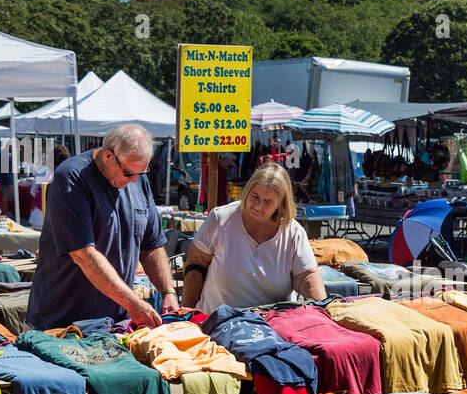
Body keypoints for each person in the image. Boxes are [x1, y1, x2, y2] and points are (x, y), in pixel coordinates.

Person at [25, 123, 176, 330]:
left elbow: (151, 245)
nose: (134, 181)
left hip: (114, 321)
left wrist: (168, 291)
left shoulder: (138, 179)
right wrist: (132, 302)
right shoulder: (71, 178)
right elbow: (83, 255)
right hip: (62, 323)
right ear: (108, 157)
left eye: (140, 173)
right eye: (129, 173)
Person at [181, 161, 326, 311]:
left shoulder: (293, 232)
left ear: (281, 204)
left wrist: (322, 309)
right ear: (247, 191)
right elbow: (195, 266)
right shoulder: (220, 219)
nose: (258, 206)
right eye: (254, 196)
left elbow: (306, 276)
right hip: (219, 324)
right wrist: (188, 314)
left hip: (271, 327)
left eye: (268, 202)